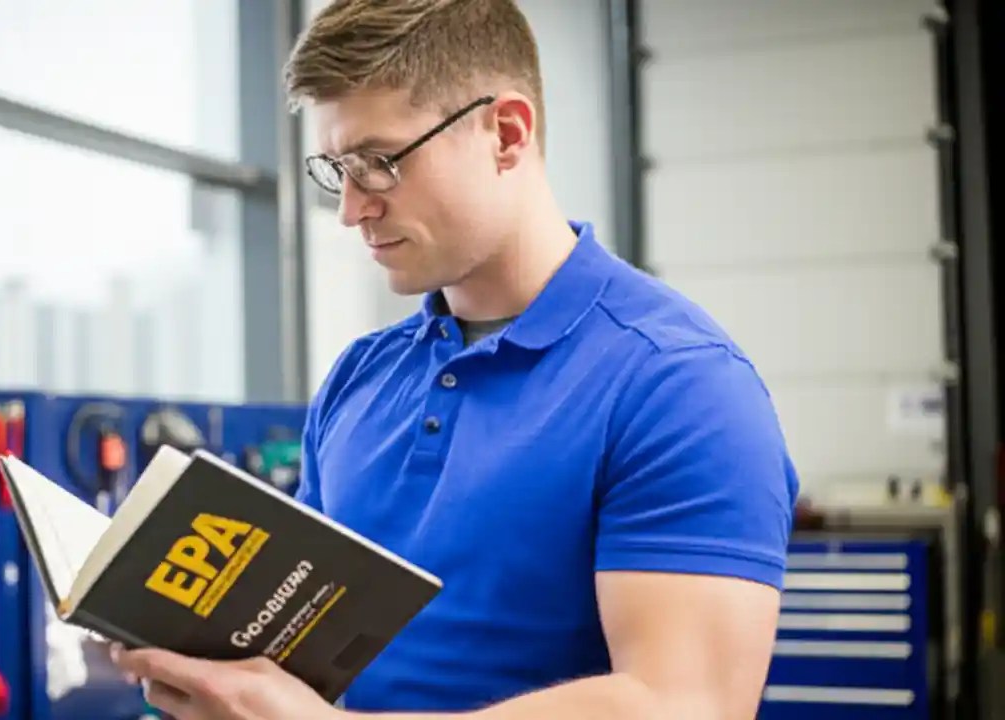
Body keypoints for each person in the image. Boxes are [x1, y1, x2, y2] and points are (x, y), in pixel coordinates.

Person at [112, 1, 799, 718]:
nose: (351, 209)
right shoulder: (360, 379)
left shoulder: (679, 383)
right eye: (337, 168)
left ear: (505, 133)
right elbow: (302, 651)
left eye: (379, 163)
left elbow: (686, 704)